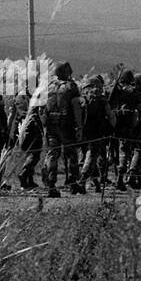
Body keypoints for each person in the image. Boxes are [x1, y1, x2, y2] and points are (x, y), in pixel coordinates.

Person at [37, 61, 84, 197]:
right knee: (71, 154)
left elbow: (41, 107)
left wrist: (45, 124)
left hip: (50, 125)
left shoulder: (48, 86)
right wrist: (79, 126)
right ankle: (72, 183)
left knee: (52, 154)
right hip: (66, 125)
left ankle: (51, 185)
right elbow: (76, 107)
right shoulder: (71, 87)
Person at [78, 74, 116, 192]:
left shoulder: (82, 97)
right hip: (96, 132)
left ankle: (96, 184)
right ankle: (82, 181)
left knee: (87, 157)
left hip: (83, 131)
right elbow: (111, 116)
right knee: (92, 157)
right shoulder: (101, 99)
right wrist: (112, 127)